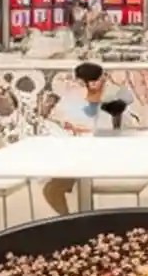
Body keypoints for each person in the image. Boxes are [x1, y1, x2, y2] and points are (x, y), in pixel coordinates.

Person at [42, 62, 134, 215]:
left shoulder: (112, 100)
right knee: (52, 189)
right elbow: (58, 123)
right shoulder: (73, 99)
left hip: (103, 157)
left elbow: (118, 130)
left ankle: (72, 221)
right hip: (80, 155)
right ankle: (72, 221)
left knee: (52, 189)